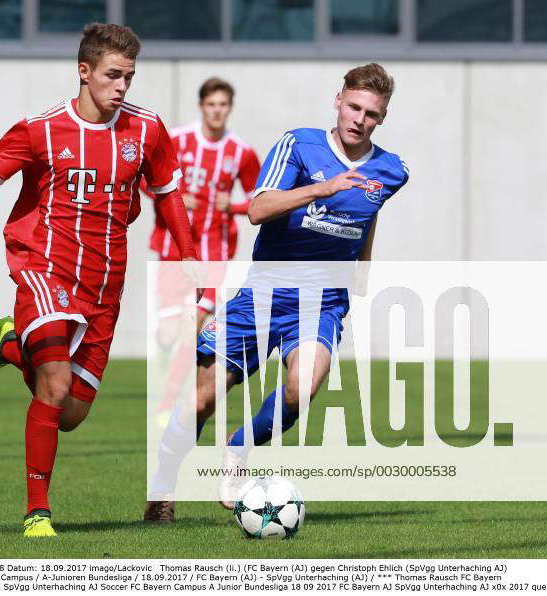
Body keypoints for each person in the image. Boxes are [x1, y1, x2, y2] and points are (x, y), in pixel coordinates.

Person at [0, 23, 198, 537]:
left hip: (106, 285)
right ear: (84, 71)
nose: (123, 86)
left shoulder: (146, 130)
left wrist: (191, 257)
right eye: (113, 75)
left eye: (130, 76)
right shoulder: (39, 130)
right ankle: (37, 512)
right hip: (45, 269)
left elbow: (168, 193)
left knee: (70, 413)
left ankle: (10, 345)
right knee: (56, 383)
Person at [144, 63, 410, 522]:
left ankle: (239, 447)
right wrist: (321, 188)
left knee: (301, 388)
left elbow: (370, 209)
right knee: (202, 398)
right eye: (353, 107)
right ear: (338, 99)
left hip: (322, 302)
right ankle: (162, 491)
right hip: (262, 296)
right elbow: (258, 208)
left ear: (381, 118)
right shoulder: (300, 145)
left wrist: (363, 266)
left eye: (370, 113)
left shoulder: (392, 170)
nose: (358, 119)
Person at [149, 78, 261, 417]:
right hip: (174, 249)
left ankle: (170, 404)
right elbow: (144, 177)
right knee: (168, 334)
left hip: (216, 253)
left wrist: (235, 207)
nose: (217, 110)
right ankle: (175, 374)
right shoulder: (178, 140)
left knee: (192, 325)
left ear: (230, 108)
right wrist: (172, 196)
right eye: (211, 104)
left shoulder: (240, 152)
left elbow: (260, 199)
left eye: (223, 105)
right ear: (201, 106)